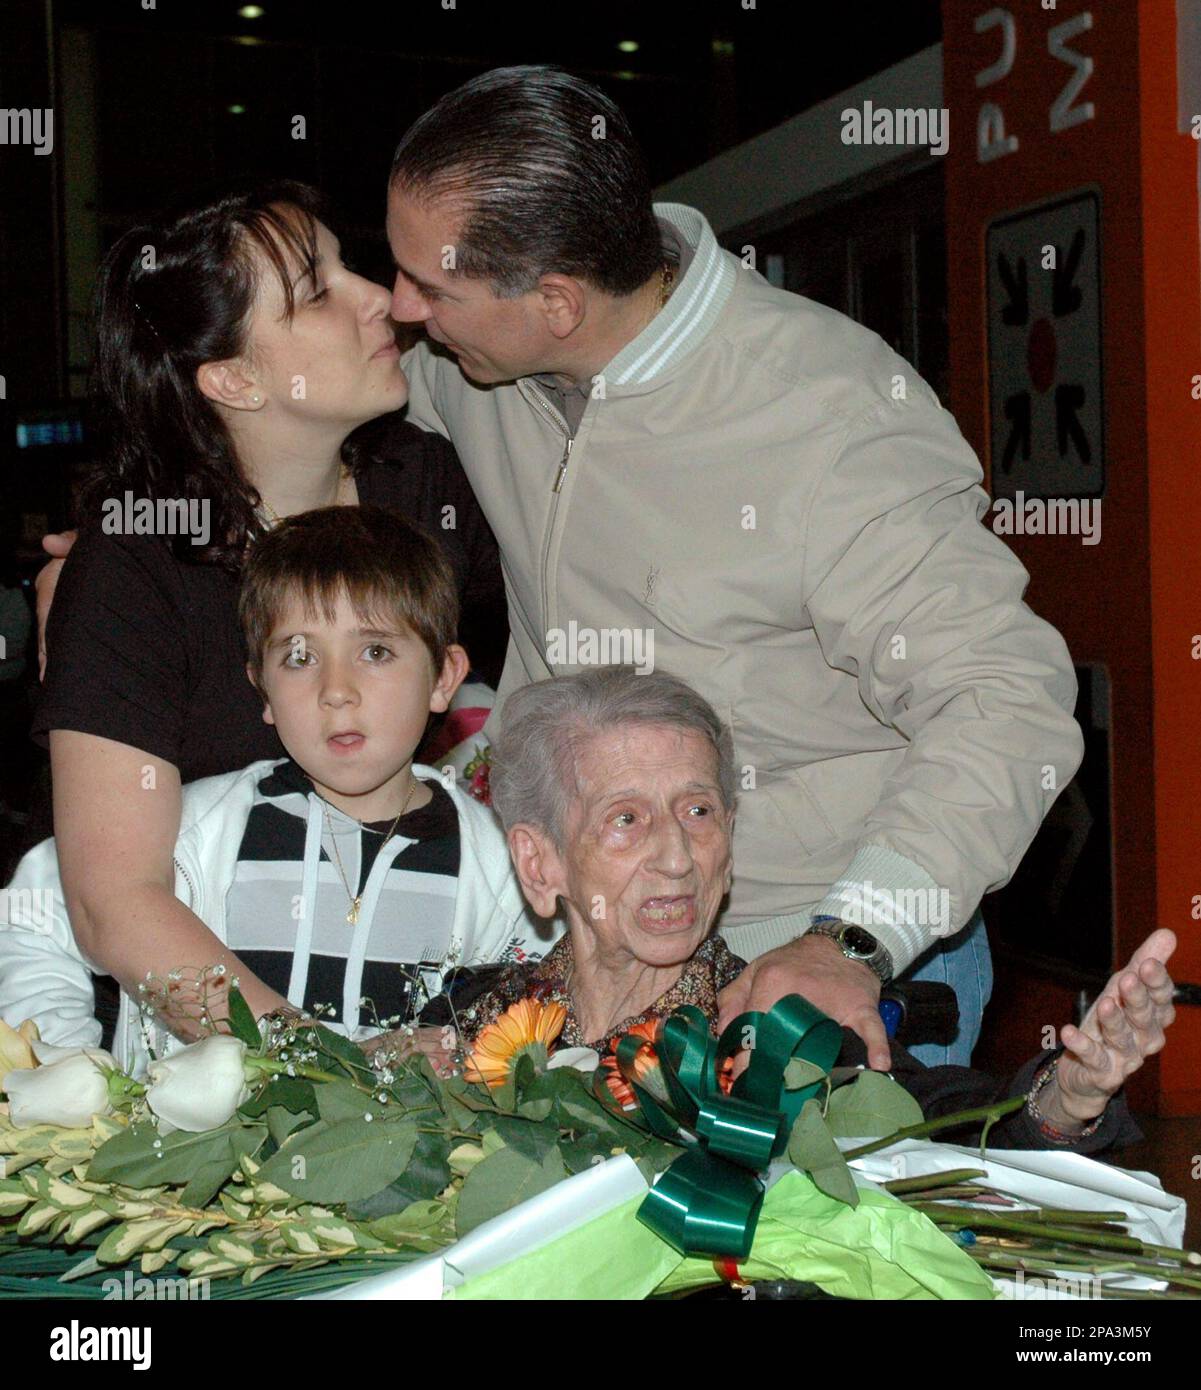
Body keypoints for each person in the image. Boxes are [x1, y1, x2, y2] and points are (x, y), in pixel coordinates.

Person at [382, 65, 1085, 1070]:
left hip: (795, 970)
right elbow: (296, 392)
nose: (399, 309)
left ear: (556, 302)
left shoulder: (832, 416)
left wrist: (850, 938)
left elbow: (1007, 702)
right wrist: (124, 546)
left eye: (428, 287)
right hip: (572, 964)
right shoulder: (475, 360)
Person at [25, 180, 506, 1034]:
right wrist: (312, 1070)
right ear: (238, 380)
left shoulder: (426, 488)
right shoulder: (138, 563)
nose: (379, 299)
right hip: (199, 1056)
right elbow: (113, 900)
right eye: (319, 293)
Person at [436, 669, 1171, 1154]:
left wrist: (1068, 1095)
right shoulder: (467, 1022)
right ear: (541, 863)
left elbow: (958, 1121)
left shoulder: (780, 1033)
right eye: (625, 819)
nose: (675, 856)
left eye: (698, 810)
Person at [0, 506, 555, 1070]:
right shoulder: (199, 829)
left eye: (375, 652)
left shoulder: (500, 866)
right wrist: (67, 1079)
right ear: (261, 689)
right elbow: (33, 916)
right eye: (298, 657)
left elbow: (546, 1010)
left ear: (443, 677)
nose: (336, 690)